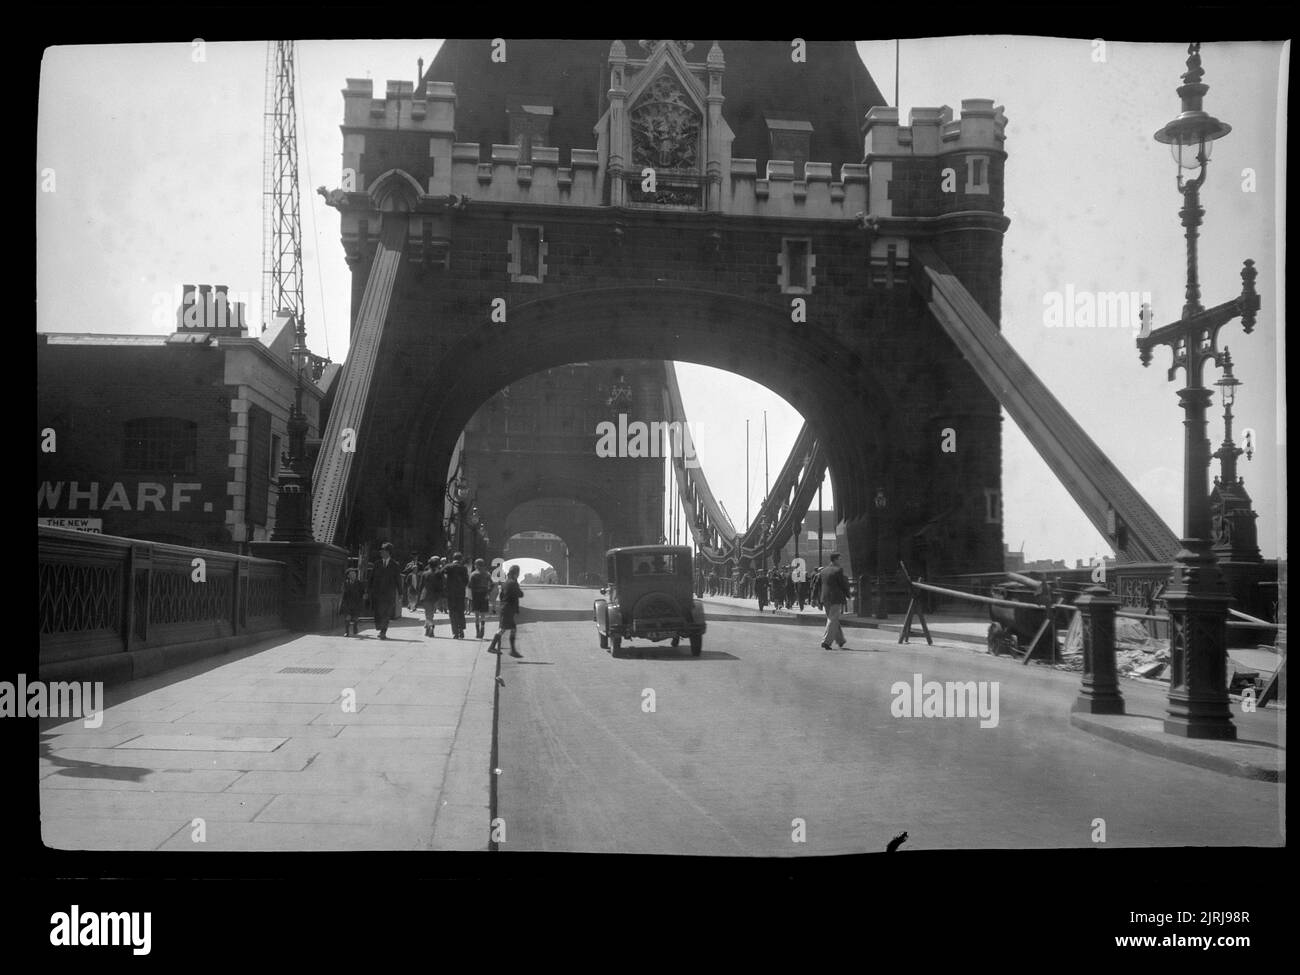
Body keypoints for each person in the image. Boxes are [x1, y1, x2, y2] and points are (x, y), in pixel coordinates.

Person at [487, 564, 524, 658]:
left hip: (505, 608)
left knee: (509, 629)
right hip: (508, 609)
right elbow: (520, 594)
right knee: (504, 629)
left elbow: (501, 596)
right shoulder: (513, 583)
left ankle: (511, 650)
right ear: (516, 573)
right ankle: (493, 647)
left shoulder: (505, 583)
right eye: (518, 573)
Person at [368, 542, 404, 639]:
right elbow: (371, 578)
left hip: (389, 594)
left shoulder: (395, 565)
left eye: (383, 551)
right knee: (378, 613)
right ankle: (380, 628)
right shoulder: (377, 564)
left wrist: (400, 593)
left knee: (386, 613)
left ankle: (383, 632)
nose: (381, 552)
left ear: (388, 552)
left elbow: (398, 580)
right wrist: (368, 591)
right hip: (377, 594)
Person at [819, 552, 852, 650]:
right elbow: (842, 584)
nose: (841, 561)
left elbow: (820, 585)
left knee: (833, 619)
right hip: (836, 597)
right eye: (840, 559)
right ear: (836, 560)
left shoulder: (823, 571)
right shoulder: (838, 570)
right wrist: (848, 594)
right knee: (833, 619)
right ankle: (826, 641)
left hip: (825, 598)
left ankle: (840, 640)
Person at [444, 552, 470, 639]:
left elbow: (440, 574)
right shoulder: (463, 568)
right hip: (460, 593)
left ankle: (455, 632)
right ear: (461, 559)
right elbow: (466, 580)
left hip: (451, 593)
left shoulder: (448, 567)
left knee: (452, 612)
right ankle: (461, 630)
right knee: (460, 611)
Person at [419, 556, 445, 637]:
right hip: (435, 596)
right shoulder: (439, 574)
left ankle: (430, 626)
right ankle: (428, 628)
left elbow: (421, 586)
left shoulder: (425, 574)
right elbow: (442, 586)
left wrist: (420, 595)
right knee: (431, 613)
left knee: (428, 613)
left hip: (426, 595)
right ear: (437, 565)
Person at [468, 558, 493, 639]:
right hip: (484, 594)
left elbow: (469, 585)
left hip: (475, 595)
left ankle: (477, 631)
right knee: (483, 614)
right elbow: (492, 584)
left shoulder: (473, 574)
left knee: (476, 615)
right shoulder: (487, 574)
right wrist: (488, 592)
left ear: (477, 565)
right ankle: (482, 628)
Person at [340, 567, 365, 637]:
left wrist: (363, 596)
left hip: (356, 602)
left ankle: (355, 626)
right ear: (348, 576)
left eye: (354, 574)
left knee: (355, 617)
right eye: (351, 574)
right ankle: (347, 631)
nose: (353, 575)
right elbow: (342, 593)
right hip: (347, 603)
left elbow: (363, 592)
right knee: (347, 617)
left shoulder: (359, 583)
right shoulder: (345, 583)